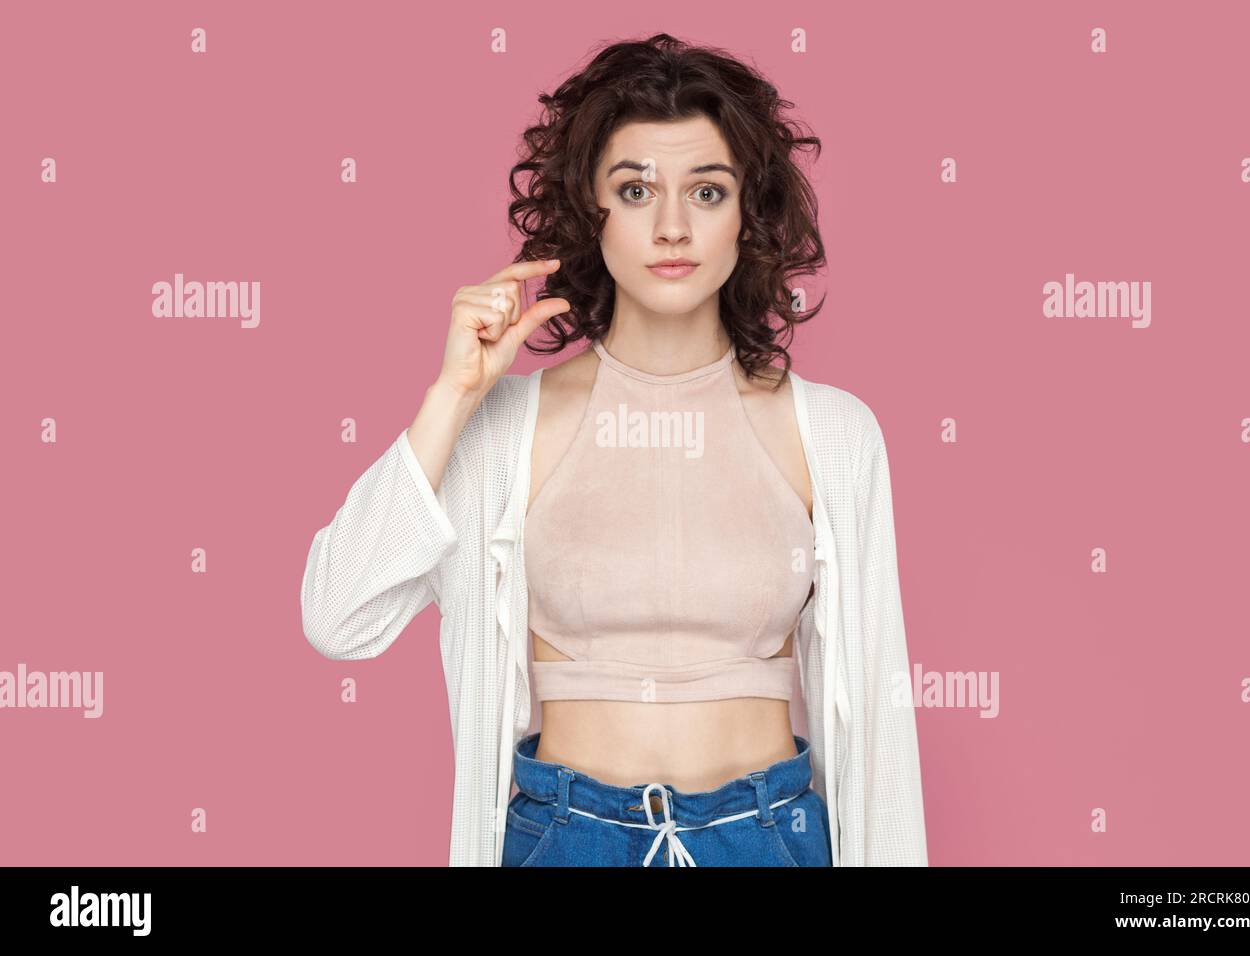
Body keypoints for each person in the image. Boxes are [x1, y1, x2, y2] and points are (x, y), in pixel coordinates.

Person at [301, 33, 928, 867]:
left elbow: (880, 719)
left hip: (766, 837)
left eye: (707, 191)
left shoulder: (835, 435)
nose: (672, 227)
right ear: (587, 211)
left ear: (748, 214)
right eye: (635, 190)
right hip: (568, 838)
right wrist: (450, 400)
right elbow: (337, 618)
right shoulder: (505, 430)